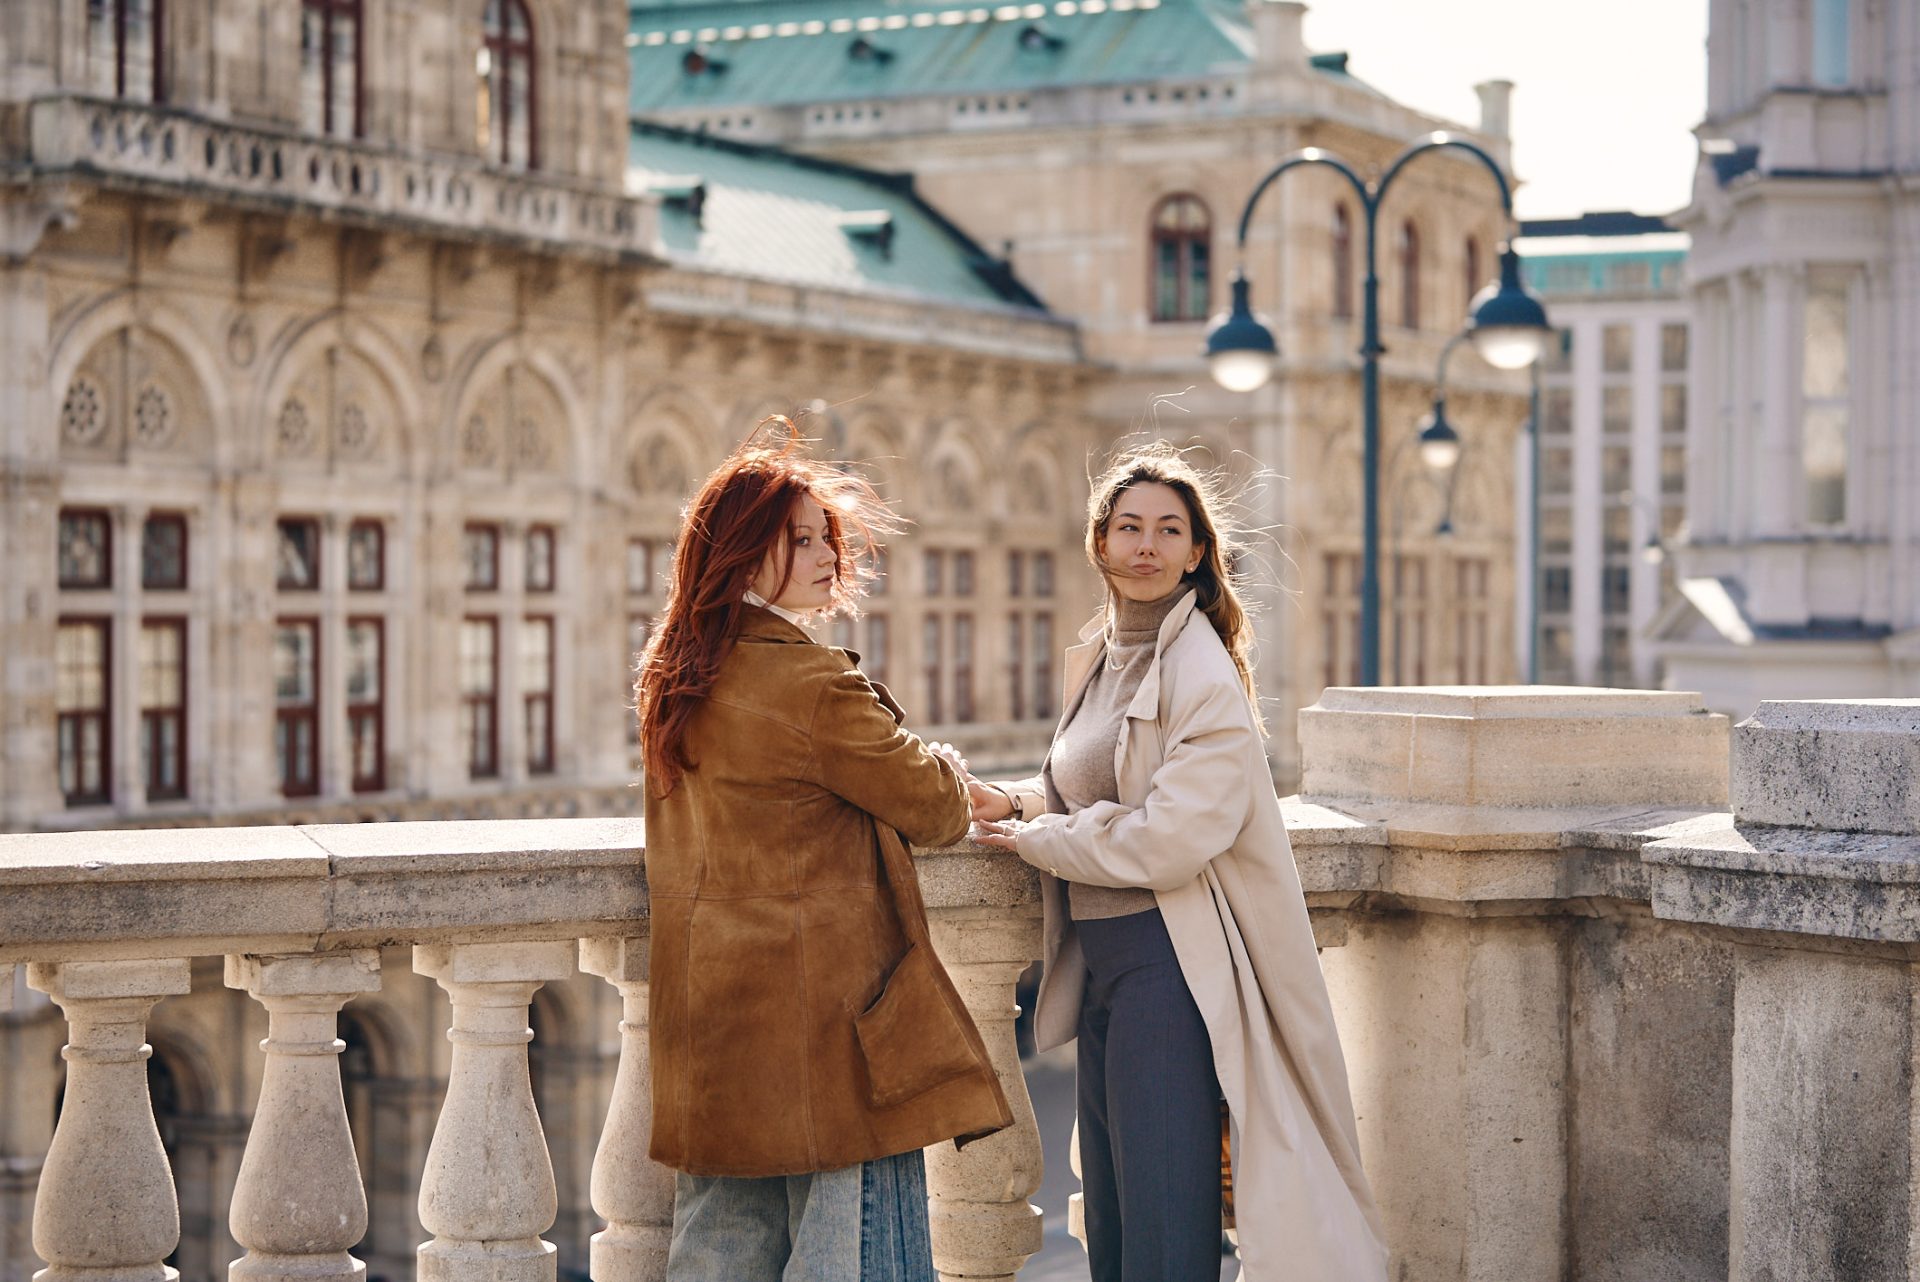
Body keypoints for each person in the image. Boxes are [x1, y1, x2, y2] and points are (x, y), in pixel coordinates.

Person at [970, 445, 1389, 1281]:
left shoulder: (1201, 671)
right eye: (1129, 528)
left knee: (1166, 1232)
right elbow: (1092, 786)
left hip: (1171, 968)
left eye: (1169, 530)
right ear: (1100, 544)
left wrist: (1037, 839)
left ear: (1197, 552)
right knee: (1117, 1226)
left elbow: (1167, 840)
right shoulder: (1106, 655)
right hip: (1104, 968)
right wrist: (1015, 803)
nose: (1147, 546)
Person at [635, 427, 1012, 1282]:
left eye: (822, 537)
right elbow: (935, 808)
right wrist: (944, 767)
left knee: (719, 1258)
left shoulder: (677, 676)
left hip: (719, 1033)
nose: (820, 555)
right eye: (794, 538)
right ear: (737, 551)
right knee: (857, 1254)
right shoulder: (807, 685)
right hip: (835, 1038)